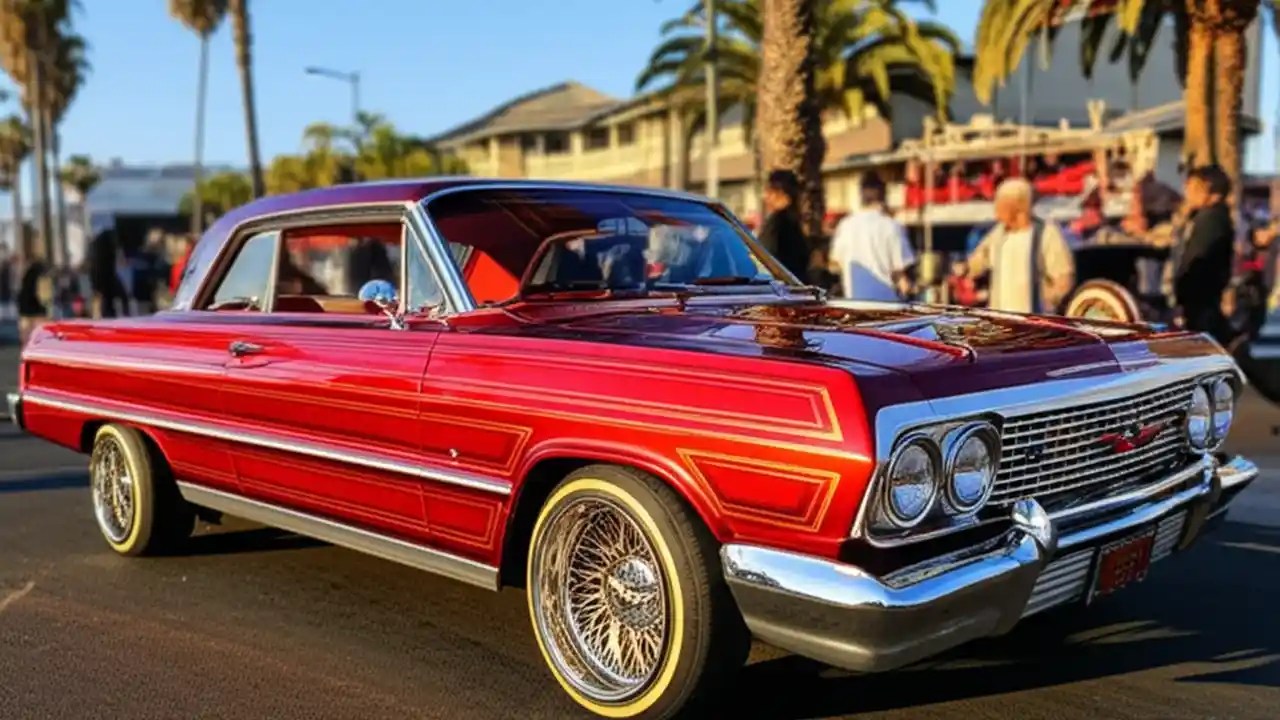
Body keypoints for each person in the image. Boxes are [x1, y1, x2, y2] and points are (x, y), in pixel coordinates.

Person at [965, 177, 1075, 314]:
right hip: (1002, 322)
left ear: (1017, 206)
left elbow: (1063, 277)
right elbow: (977, 262)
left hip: (1034, 323)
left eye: (1000, 204)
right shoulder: (997, 234)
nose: (996, 211)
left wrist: (1047, 301)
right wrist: (966, 271)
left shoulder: (1046, 233)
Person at [1174, 164, 1238, 347]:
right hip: (1203, 299)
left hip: (1201, 299)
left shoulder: (1211, 219)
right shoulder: (1210, 216)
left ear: (1214, 193)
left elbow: (1197, 257)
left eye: (1195, 188)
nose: (1188, 193)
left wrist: (1183, 288)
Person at [828, 173, 915, 301]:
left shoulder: (846, 225)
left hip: (855, 304)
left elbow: (835, 264)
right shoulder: (892, 226)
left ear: (861, 196)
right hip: (887, 306)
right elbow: (900, 270)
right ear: (884, 196)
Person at [756, 169, 810, 282]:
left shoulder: (777, 223)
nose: (765, 197)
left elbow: (766, 260)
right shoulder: (791, 223)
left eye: (768, 192)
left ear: (779, 193)